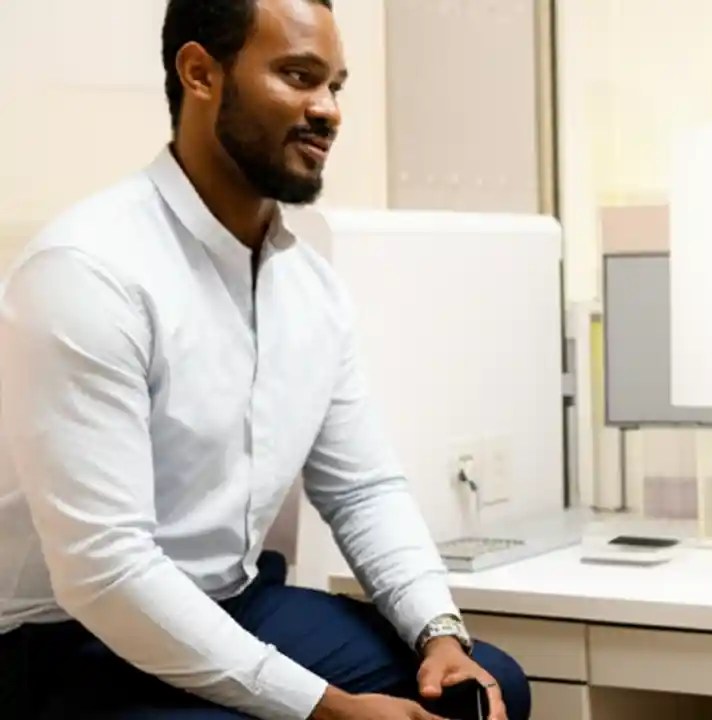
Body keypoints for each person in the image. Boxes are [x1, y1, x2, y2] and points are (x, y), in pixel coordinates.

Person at [0, 0, 532, 718]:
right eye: (298, 76)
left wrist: (439, 632)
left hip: (235, 602)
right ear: (200, 74)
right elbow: (105, 570)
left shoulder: (309, 285)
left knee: (485, 685)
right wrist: (327, 708)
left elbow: (363, 488)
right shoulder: (88, 271)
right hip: (69, 639)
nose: (329, 110)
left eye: (336, 85)